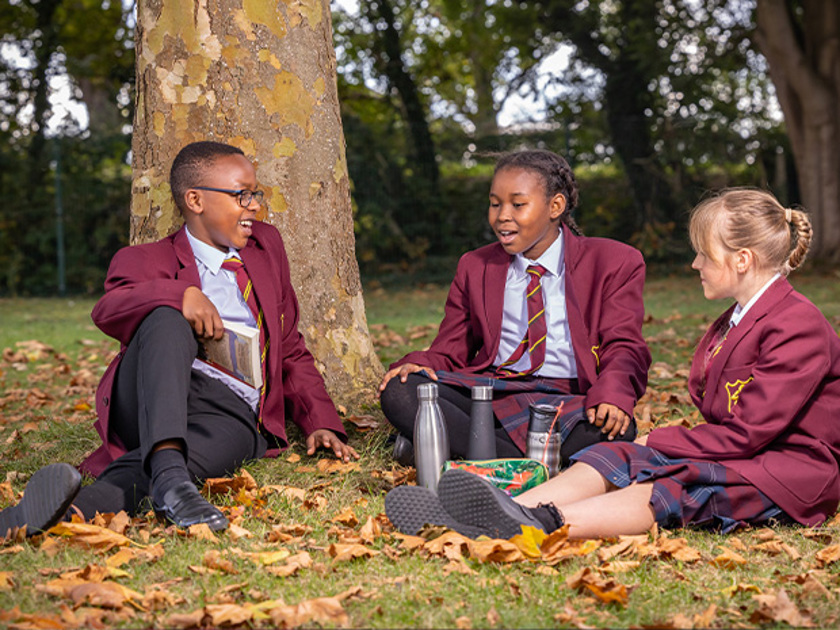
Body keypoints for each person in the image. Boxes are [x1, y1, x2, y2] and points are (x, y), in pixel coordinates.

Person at [386, 188, 840, 540]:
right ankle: (490, 509)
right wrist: (649, 443)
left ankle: (540, 522)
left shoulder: (797, 325)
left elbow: (748, 432)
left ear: (742, 260)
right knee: (610, 453)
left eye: (705, 253)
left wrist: (659, 439)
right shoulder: (738, 318)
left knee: (672, 482)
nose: (695, 263)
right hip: (743, 450)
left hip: (785, 469)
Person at [0, 141, 358, 538]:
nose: (254, 205)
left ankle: (54, 515)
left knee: (177, 462)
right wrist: (179, 295)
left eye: (255, 194)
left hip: (228, 413)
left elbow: (289, 345)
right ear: (195, 200)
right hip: (155, 389)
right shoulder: (146, 259)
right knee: (166, 318)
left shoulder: (266, 247)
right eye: (242, 195)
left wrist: (320, 421)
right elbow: (108, 308)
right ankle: (171, 478)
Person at [379, 149, 651, 466]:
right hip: (491, 390)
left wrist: (613, 394)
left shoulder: (615, 261)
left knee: (614, 428)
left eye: (518, 204)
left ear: (556, 206)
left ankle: (448, 446)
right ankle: (530, 460)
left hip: (567, 398)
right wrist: (418, 362)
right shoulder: (476, 266)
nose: (502, 215)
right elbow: (451, 348)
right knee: (402, 392)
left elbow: (624, 344)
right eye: (495, 204)